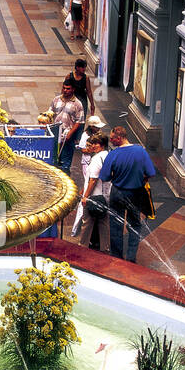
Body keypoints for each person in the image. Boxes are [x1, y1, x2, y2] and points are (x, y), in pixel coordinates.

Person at [99, 126, 157, 263]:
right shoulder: (140, 151)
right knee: (135, 224)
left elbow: (105, 177)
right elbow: (151, 172)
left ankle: (117, 257)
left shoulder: (113, 154)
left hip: (117, 192)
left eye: (112, 138)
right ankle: (131, 258)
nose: (111, 141)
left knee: (115, 225)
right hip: (135, 193)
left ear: (119, 138)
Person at [76, 132, 110, 253]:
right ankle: (105, 248)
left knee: (87, 222)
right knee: (103, 222)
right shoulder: (107, 155)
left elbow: (93, 179)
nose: (93, 146)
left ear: (101, 145)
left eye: (95, 143)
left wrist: (85, 196)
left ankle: (82, 246)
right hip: (105, 195)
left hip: (94, 196)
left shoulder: (96, 159)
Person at [51, 80, 85, 173]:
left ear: (73, 89)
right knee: (54, 159)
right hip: (55, 133)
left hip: (68, 135)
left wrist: (70, 133)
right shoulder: (56, 99)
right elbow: (50, 113)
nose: (65, 90)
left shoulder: (77, 104)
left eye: (68, 89)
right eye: (64, 88)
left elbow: (79, 121)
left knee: (65, 160)